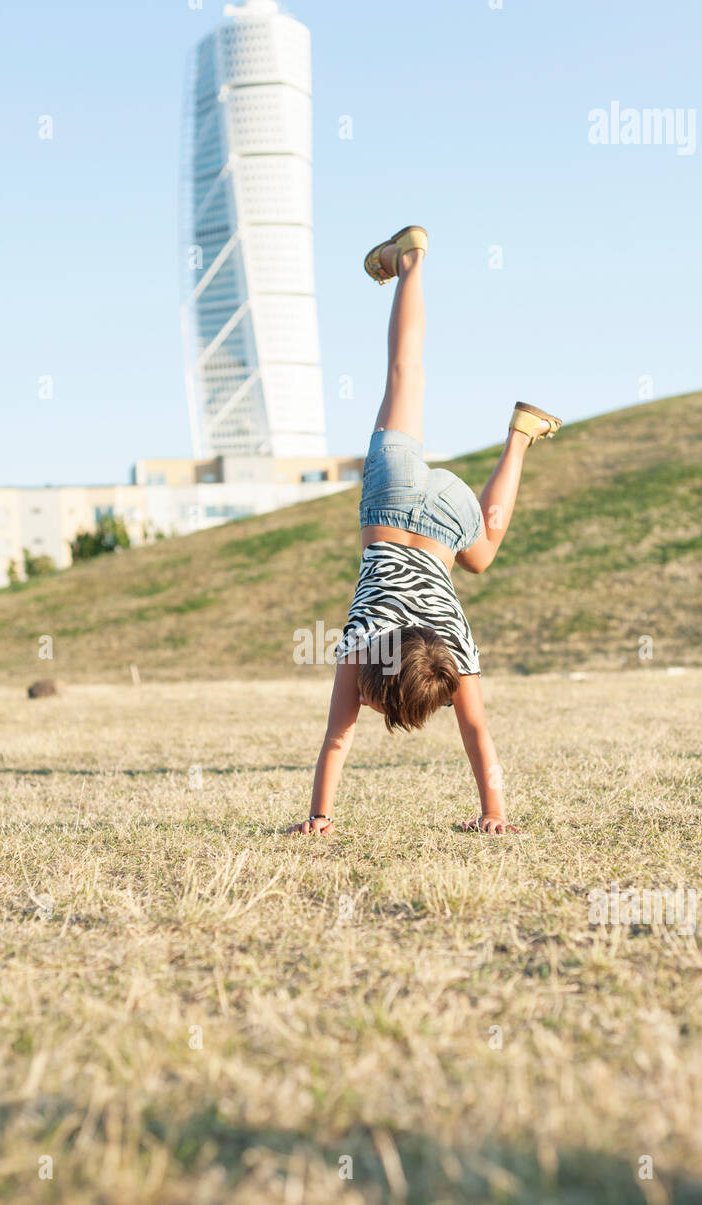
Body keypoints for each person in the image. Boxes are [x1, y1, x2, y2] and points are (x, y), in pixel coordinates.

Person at [287, 225, 561, 838]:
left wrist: (496, 814)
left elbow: (475, 733)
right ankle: (408, 263)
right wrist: (318, 818)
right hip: (390, 500)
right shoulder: (361, 652)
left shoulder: (450, 653)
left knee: (481, 551)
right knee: (403, 375)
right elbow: (336, 741)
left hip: (446, 515)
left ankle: (520, 436)